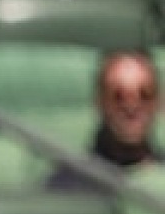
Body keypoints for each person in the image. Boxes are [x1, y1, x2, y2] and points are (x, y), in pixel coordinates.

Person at [45, 49, 161, 193]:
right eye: (119, 96)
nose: (131, 107)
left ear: (158, 103)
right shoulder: (67, 187)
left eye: (144, 95)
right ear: (100, 103)